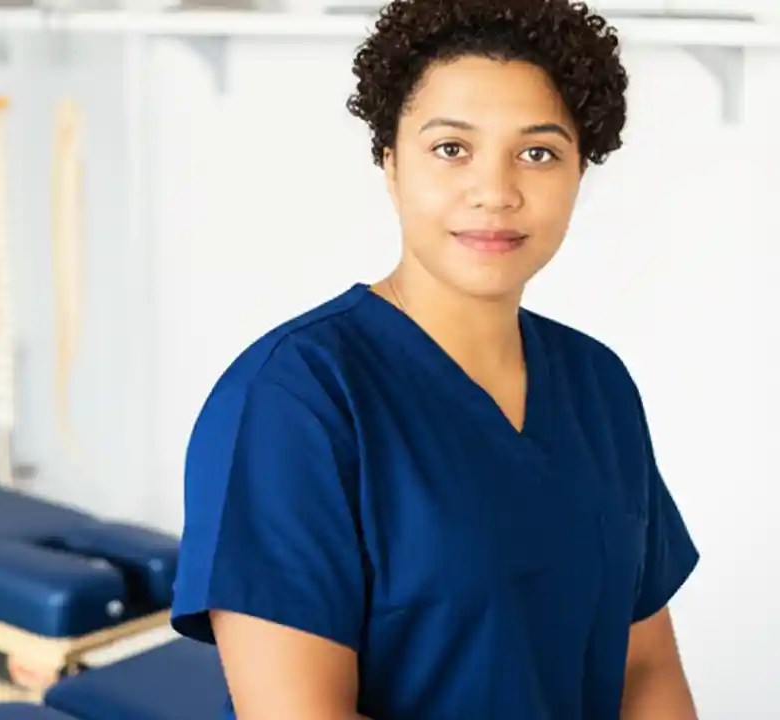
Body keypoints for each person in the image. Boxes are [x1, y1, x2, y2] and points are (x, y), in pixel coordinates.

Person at [169, 0, 701, 718]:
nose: (496, 191)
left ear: (581, 169)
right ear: (390, 162)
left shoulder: (596, 385)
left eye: (538, 152)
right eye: (451, 148)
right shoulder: (294, 399)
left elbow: (645, 671)